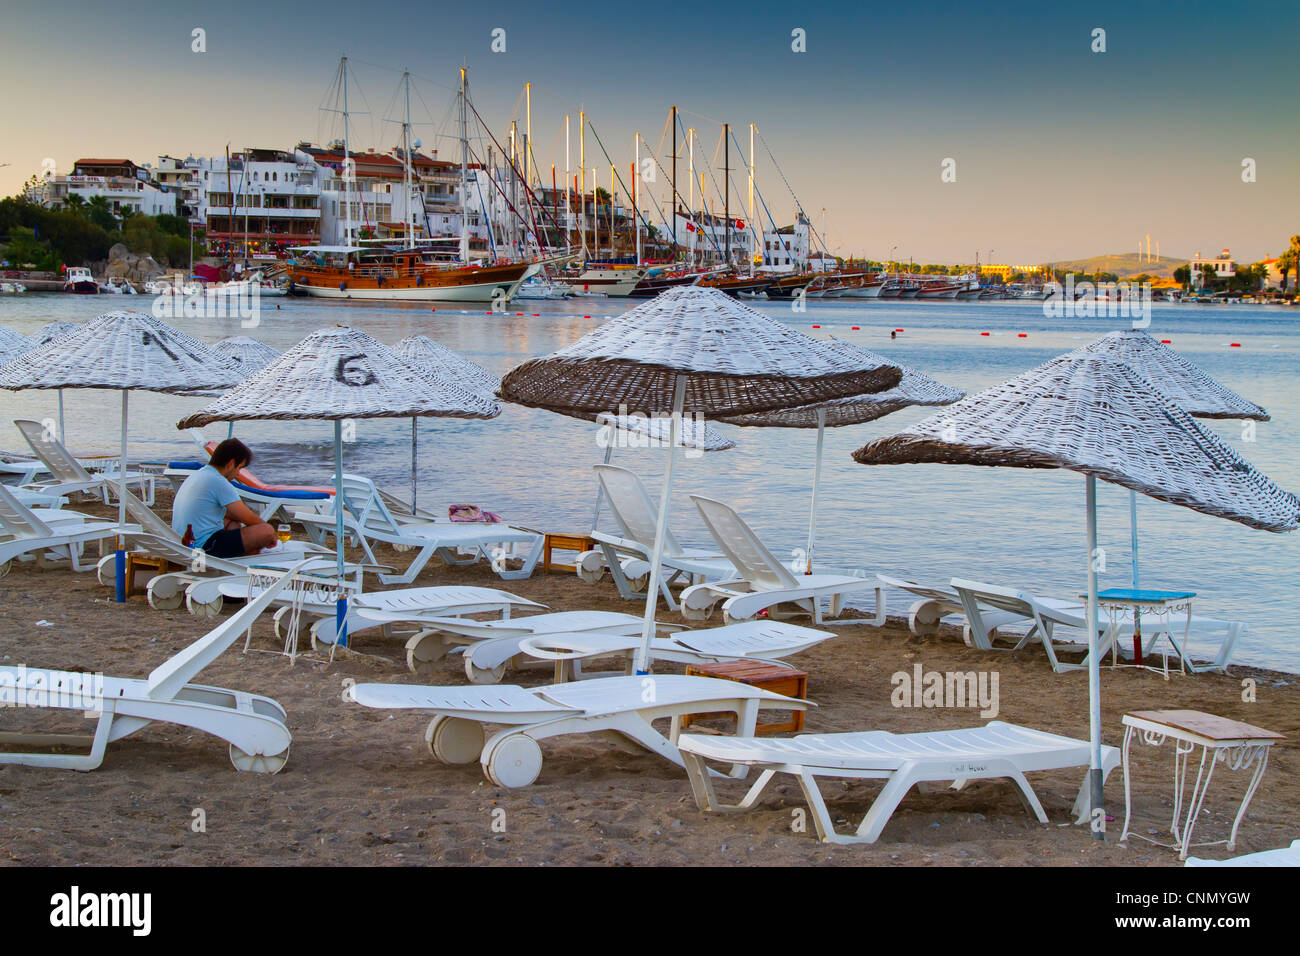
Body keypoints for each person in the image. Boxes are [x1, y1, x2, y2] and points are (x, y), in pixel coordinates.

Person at [171, 438, 277, 557]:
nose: (238, 474)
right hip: (204, 547)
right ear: (231, 464)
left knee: (232, 520)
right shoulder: (219, 481)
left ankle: (241, 555)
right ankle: (243, 559)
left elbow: (235, 515)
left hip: (181, 543)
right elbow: (249, 519)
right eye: (239, 468)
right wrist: (272, 536)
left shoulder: (199, 474)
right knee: (266, 530)